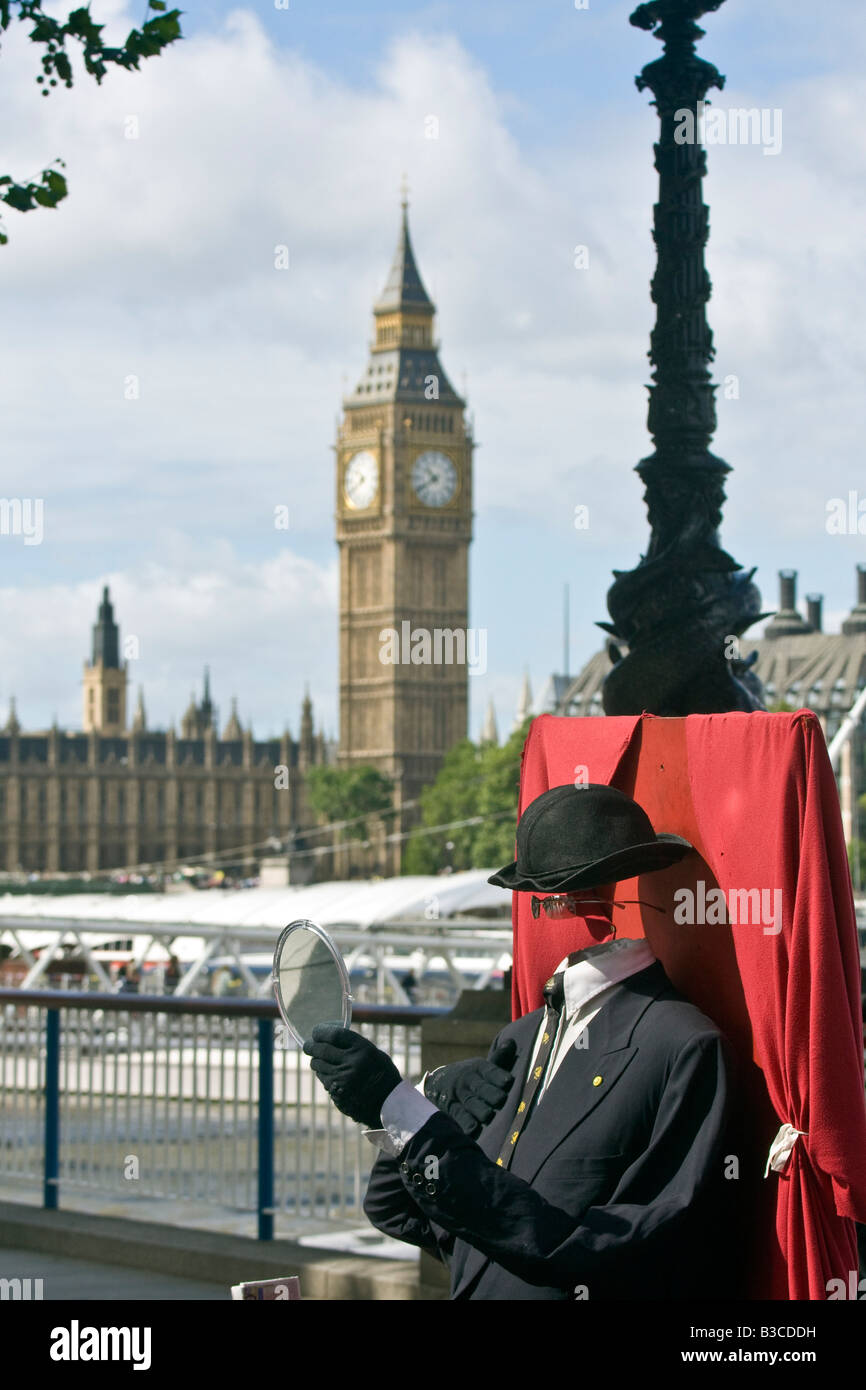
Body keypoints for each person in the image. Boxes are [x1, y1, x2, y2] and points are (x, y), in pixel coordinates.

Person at [305, 784, 737, 1300]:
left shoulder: (683, 1046)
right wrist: (421, 1100)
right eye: (541, 901)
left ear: (608, 902)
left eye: (552, 900)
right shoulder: (524, 1035)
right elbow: (402, 1213)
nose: (545, 919)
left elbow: (616, 1250)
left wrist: (399, 1107)